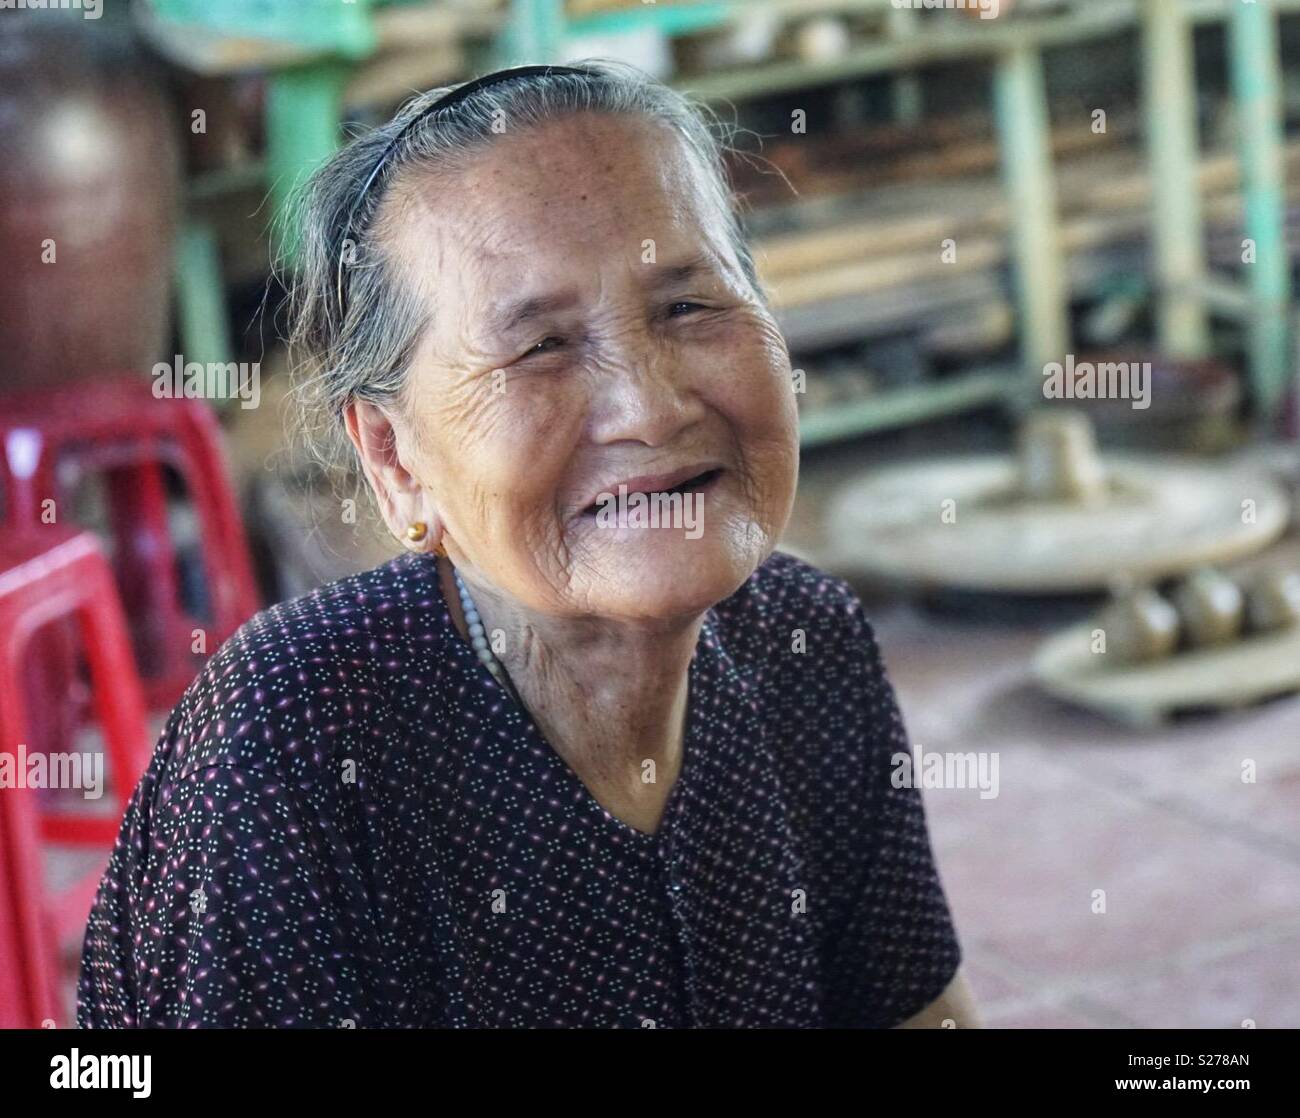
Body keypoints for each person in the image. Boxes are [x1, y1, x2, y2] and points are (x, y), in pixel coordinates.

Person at [78, 61, 977, 1029]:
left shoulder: (810, 645)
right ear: (393, 457)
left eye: (688, 305)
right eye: (540, 347)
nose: (648, 405)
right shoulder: (292, 744)